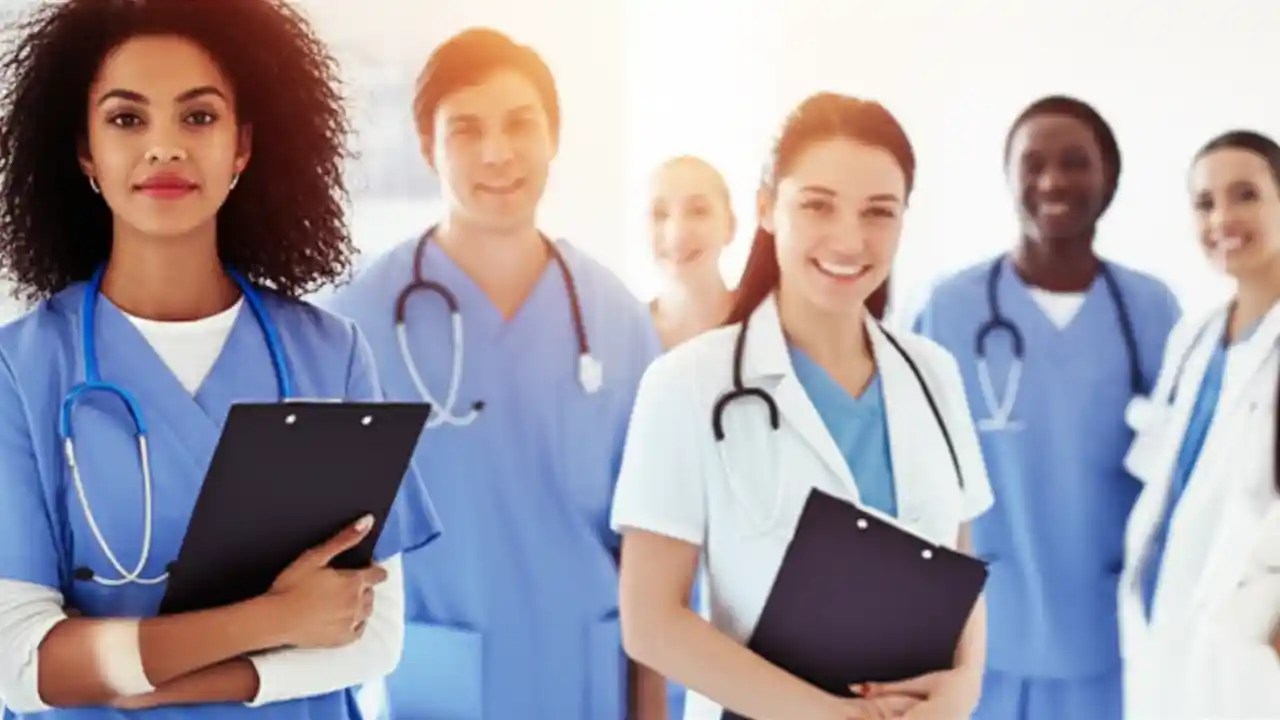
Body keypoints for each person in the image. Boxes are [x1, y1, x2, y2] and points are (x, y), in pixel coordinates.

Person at [0, 1, 440, 718]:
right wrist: (273, 622)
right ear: (84, 151)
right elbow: (22, 663)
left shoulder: (331, 354)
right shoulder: (21, 370)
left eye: (198, 117)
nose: (165, 147)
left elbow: (373, 637)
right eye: (126, 119)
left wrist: (154, 681)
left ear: (242, 146)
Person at [611, 92, 993, 720]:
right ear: (766, 208)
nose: (849, 238)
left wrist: (965, 684)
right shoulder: (686, 384)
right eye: (818, 205)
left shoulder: (935, 374)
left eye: (879, 212)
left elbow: (960, 564)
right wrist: (827, 715)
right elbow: (650, 622)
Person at [321, 28, 667, 720]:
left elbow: (656, 549)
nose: (497, 152)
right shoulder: (356, 321)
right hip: (436, 681)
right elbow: (321, 548)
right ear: (429, 149)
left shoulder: (619, 318)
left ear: (554, 137)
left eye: (520, 123)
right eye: (465, 129)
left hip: (587, 676)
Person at [911, 95, 1181, 720]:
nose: (1053, 180)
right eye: (1032, 163)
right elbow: (912, 467)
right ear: (1007, 177)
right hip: (980, 629)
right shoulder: (949, 308)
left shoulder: (1150, 310)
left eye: (1075, 162)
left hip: (1107, 626)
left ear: (1107, 177)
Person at [1118, 130, 1280, 720]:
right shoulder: (1194, 337)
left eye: (1246, 195)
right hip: (1167, 619)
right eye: (1205, 203)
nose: (1223, 217)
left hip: (1250, 646)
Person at [648, 155, 737, 349]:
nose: (676, 234)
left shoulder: (768, 327)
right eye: (660, 214)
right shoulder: (622, 333)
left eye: (698, 211)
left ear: (730, 226)